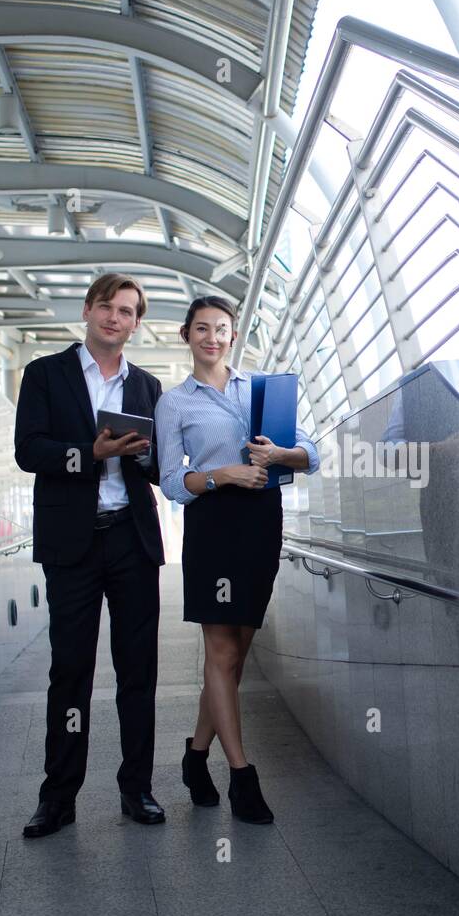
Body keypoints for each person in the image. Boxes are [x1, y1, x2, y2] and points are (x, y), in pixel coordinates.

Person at [154, 295, 319, 824]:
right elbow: (171, 482)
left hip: (260, 525)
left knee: (236, 655)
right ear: (187, 336)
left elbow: (311, 452)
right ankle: (242, 776)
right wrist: (222, 474)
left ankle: (195, 757)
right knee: (221, 653)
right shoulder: (176, 403)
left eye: (221, 328)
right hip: (213, 525)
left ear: (233, 335)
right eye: (201, 328)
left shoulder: (263, 390)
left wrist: (279, 456)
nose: (212, 337)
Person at [13, 273, 166, 838]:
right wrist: (88, 453)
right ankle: (58, 798)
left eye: (127, 311)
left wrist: (144, 458)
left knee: (138, 672)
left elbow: (158, 467)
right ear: (88, 309)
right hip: (72, 543)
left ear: (135, 324)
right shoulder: (45, 375)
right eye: (107, 306)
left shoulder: (147, 387)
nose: (115, 318)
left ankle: (138, 788)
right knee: (70, 670)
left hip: (131, 538)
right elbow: (28, 450)